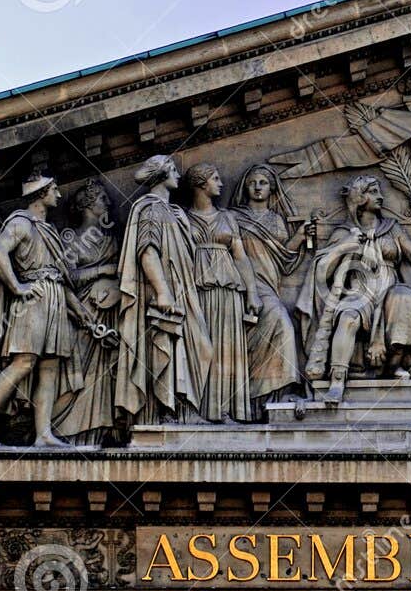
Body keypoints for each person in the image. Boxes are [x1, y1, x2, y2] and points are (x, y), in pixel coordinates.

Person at [302, 175, 411, 404]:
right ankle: (337, 380)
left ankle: (393, 365)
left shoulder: (392, 228)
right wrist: (345, 246)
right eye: (373, 192)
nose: (380, 197)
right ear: (359, 197)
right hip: (358, 290)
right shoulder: (343, 232)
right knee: (348, 317)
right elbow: (322, 271)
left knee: (404, 298)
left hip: (389, 288)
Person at [0, 176, 95, 447]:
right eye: (54, 190)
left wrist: (77, 308)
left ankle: (43, 434)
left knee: (49, 369)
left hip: (55, 300)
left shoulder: (47, 229)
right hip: (33, 300)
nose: (59, 196)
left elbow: (58, 276)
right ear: (40, 194)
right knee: (23, 363)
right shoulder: (20, 222)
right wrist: (17, 287)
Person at [116, 155, 216, 425]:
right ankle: (170, 412)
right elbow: (147, 251)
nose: (178, 175)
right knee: (169, 346)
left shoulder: (174, 212)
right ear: (160, 175)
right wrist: (162, 292)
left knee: (201, 347)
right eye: (173, 170)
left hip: (184, 289)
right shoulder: (150, 209)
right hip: (166, 291)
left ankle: (185, 408)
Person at [229, 164, 310, 412]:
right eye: (252, 182)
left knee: (280, 327)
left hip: (268, 284)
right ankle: (259, 396)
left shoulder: (276, 220)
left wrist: (301, 235)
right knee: (281, 324)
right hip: (240, 284)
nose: (257, 187)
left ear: (271, 188)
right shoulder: (234, 217)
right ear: (245, 187)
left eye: (263, 182)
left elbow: (284, 259)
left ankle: (273, 395)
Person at [183, 163, 258, 422]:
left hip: (228, 289)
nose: (221, 183)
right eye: (215, 179)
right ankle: (198, 409)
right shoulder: (183, 218)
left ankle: (225, 410)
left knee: (228, 349)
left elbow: (241, 257)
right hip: (197, 290)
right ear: (201, 184)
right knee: (200, 347)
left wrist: (252, 293)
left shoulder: (228, 217)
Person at [53, 181, 123, 445]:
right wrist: (102, 271)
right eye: (102, 199)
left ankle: (96, 432)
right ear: (88, 205)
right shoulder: (69, 238)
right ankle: (64, 430)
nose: (108, 203)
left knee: (102, 376)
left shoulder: (111, 240)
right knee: (74, 372)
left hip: (108, 314)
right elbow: (64, 276)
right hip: (79, 314)